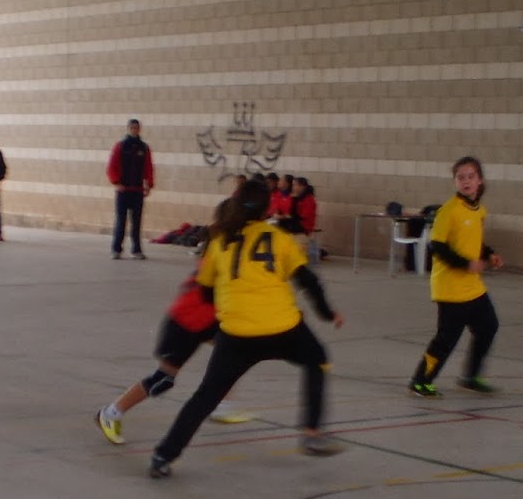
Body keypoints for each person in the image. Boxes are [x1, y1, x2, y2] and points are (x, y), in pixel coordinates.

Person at [147, 177, 343, 477]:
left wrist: (231, 305)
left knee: (206, 396)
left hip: (237, 334)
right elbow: (308, 281)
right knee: (317, 359)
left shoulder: (220, 241)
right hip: (283, 328)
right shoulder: (279, 238)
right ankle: (312, 432)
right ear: (268, 209)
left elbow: (206, 291)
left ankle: (164, 455)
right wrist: (328, 314)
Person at [96, 199, 251, 445]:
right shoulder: (221, 248)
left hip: (207, 319)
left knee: (233, 351)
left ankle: (223, 405)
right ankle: (110, 413)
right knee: (164, 379)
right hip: (185, 322)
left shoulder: (228, 245)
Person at [409, 156, 503, 397]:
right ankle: (420, 381)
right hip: (450, 287)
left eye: (471, 176)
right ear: (455, 182)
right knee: (447, 338)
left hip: (472, 286)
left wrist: (489, 254)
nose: (466, 181)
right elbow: (437, 246)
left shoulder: (479, 210)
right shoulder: (448, 211)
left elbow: (473, 242)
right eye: (461, 177)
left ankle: (470, 377)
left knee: (488, 326)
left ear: (480, 181)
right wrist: (466, 264)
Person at [107, 118, 153, 259]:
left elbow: (148, 168)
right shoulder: (120, 146)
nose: (134, 130)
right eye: (132, 128)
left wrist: (149, 184)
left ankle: (136, 250)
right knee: (121, 221)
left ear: (139, 129)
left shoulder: (144, 148)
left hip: (137, 191)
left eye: (136, 128)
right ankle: (116, 250)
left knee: (136, 222)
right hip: (123, 191)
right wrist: (116, 182)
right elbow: (111, 167)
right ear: (128, 129)